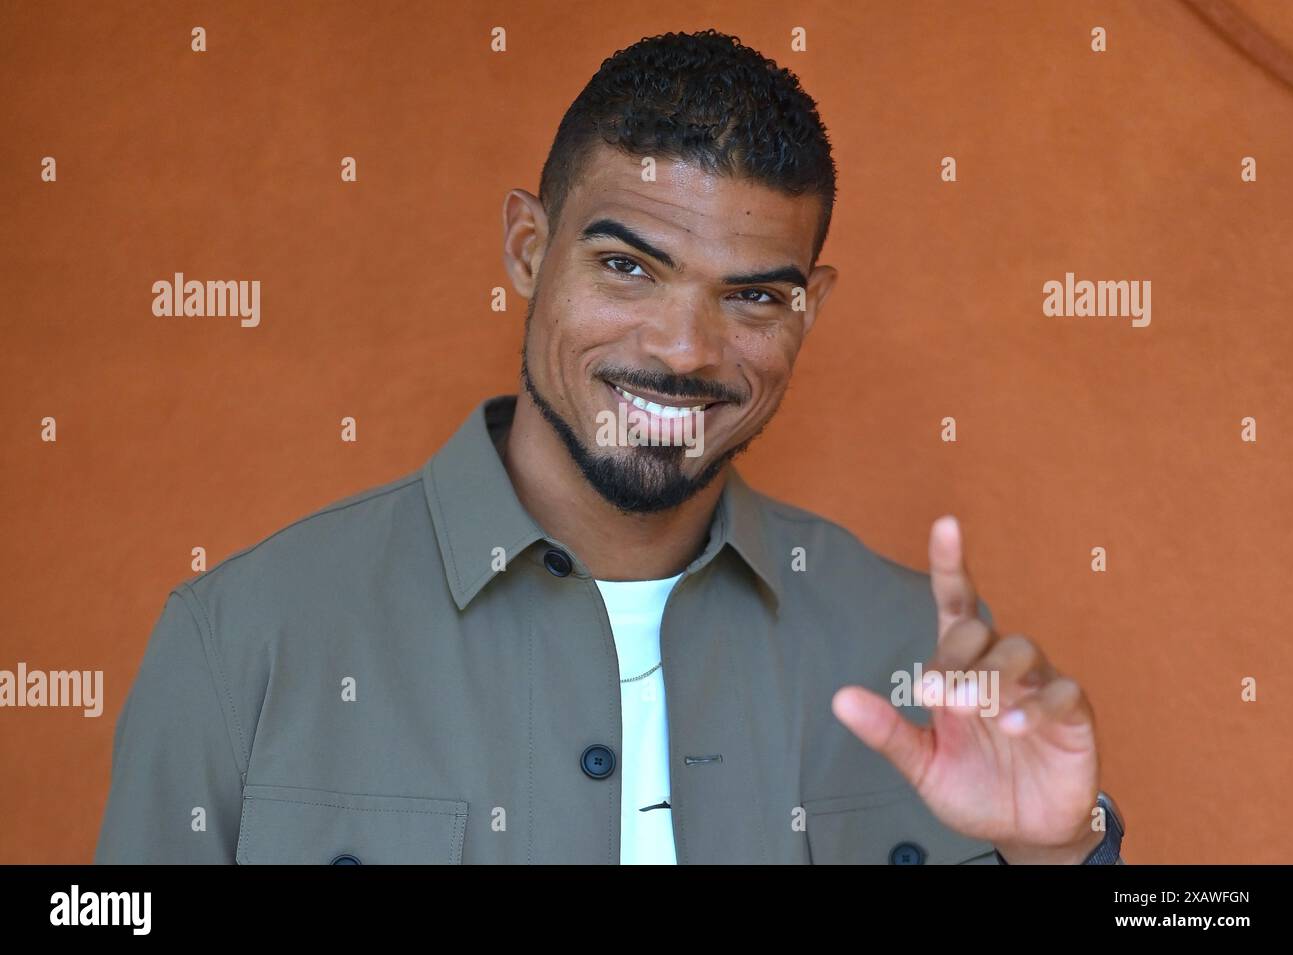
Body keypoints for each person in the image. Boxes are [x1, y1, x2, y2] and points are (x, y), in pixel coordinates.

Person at [95, 29, 1123, 864]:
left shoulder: (919, 656)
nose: (684, 349)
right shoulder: (242, 643)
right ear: (527, 251)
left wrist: (1059, 857)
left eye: (754, 295)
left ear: (811, 308)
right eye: (628, 268)